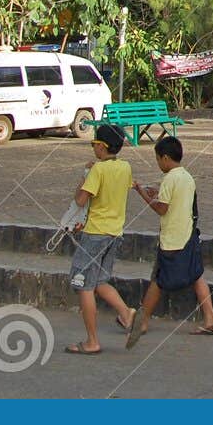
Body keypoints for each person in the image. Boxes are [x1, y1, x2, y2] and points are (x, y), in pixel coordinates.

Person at [126, 135, 213, 346]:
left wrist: (143, 193)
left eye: (158, 159)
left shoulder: (169, 178)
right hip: (188, 234)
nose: (158, 163)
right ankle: (210, 317)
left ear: (166, 158)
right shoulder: (187, 176)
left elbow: (162, 208)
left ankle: (143, 322)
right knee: (197, 275)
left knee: (159, 279)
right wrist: (157, 193)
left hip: (172, 239)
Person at [65, 124, 136, 355]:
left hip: (95, 233)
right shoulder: (125, 167)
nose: (93, 147)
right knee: (99, 282)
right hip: (115, 232)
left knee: (83, 285)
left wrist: (84, 175)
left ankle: (92, 341)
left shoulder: (97, 170)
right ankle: (126, 314)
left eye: (94, 144)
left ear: (102, 146)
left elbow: (80, 200)